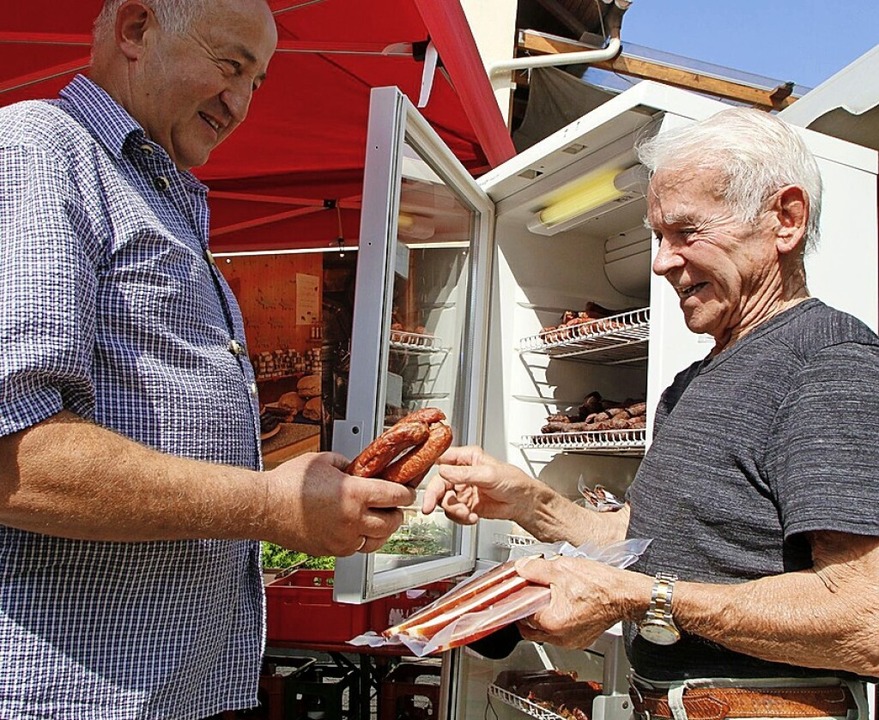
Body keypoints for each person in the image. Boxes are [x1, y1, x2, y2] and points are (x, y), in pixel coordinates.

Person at [0, 1, 413, 719]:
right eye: (229, 67)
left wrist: (297, 492)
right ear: (135, 30)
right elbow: (12, 457)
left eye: (257, 81)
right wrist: (268, 503)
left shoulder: (158, 191)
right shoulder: (40, 147)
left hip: (156, 689)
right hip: (62, 696)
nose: (242, 103)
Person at [423, 107, 879, 718]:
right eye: (657, 237)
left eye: (686, 233)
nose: (661, 262)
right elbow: (656, 540)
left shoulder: (830, 362)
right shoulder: (693, 381)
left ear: (785, 219)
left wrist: (642, 597)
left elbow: (864, 617)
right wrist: (529, 502)